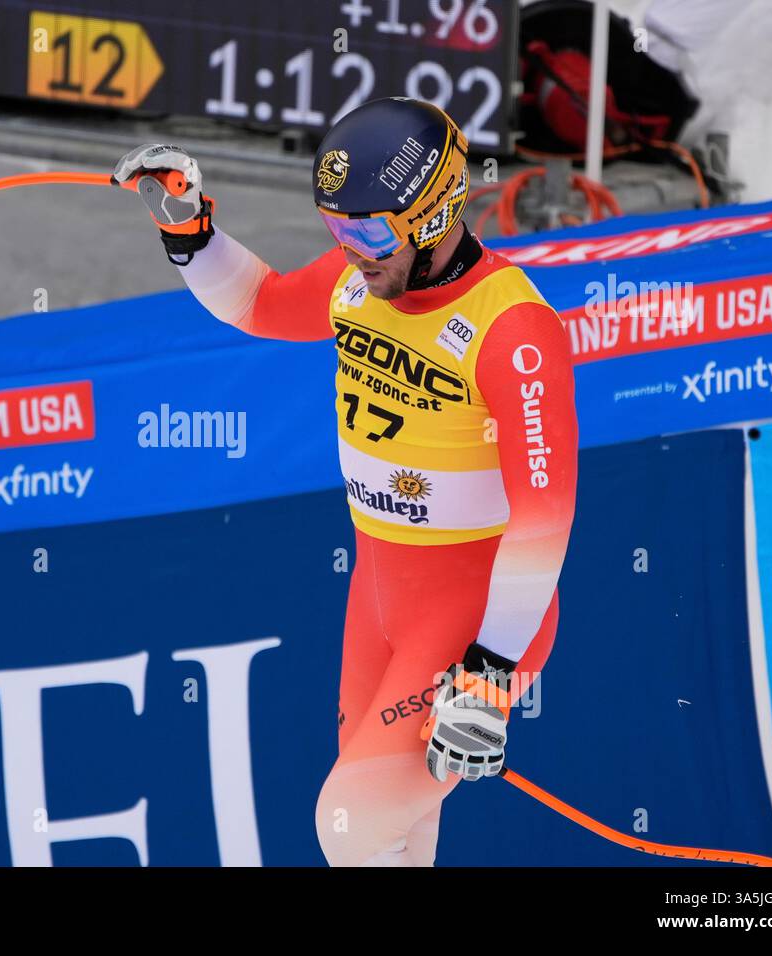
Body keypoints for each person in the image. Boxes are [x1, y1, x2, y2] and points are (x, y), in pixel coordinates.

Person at [114, 97, 578, 867]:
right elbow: (260, 303)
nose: (353, 250)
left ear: (433, 214)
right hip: (379, 592)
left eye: (367, 230)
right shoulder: (360, 280)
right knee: (396, 840)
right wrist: (188, 229)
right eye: (337, 229)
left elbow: (544, 517)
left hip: (471, 614)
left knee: (349, 825)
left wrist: (492, 670)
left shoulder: (513, 329)